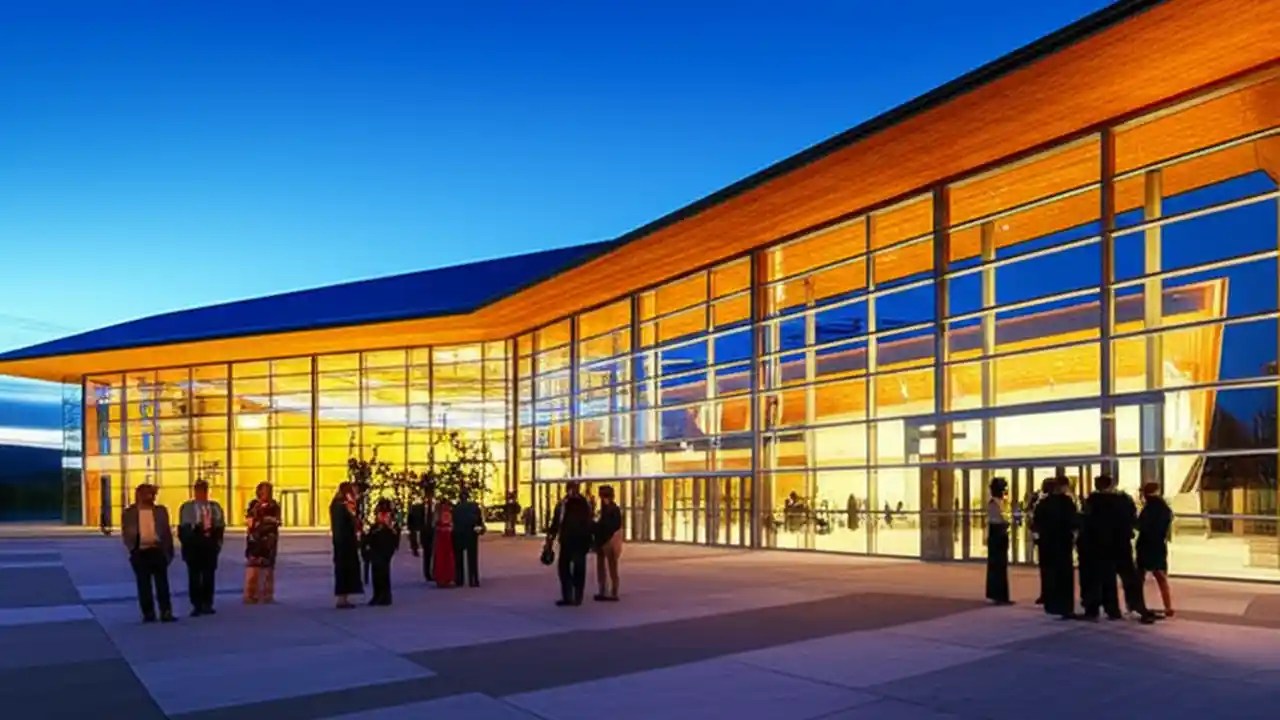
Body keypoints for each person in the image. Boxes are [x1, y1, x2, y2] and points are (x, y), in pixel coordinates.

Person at [1079, 475, 1156, 623]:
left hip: (1101, 546)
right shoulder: (1123, 500)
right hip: (1121, 545)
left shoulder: (1092, 502)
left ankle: (1112, 609)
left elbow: (1087, 525)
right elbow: (1132, 520)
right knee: (1130, 578)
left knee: (1107, 579)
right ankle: (1136, 606)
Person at [121, 484, 177, 623]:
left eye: (152, 494)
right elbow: (126, 533)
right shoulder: (129, 513)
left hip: (157, 550)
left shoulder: (161, 511)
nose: (150, 497)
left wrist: (168, 552)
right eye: (146, 494)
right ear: (138, 495)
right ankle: (148, 613)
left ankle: (166, 611)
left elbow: (166, 533)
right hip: (140, 551)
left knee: (162, 584)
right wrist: (132, 549)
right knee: (143, 584)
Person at [178, 480, 225, 617]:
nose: (201, 493)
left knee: (209, 575)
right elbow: (183, 528)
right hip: (194, 545)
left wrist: (217, 542)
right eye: (198, 490)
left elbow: (220, 525)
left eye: (204, 490)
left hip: (209, 544)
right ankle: (196, 604)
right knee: (194, 576)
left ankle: (207, 603)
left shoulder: (214, 506)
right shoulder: (187, 507)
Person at [1033, 476, 1078, 618]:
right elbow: (1073, 521)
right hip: (1063, 542)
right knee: (1063, 574)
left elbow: (1036, 523)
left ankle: (1051, 603)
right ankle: (1064, 605)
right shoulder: (1067, 502)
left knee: (1049, 573)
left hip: (1047, 543)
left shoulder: (1043, 503)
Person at [546, 481, 594, 606]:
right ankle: (574, 596)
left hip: (573, 540)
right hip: (574, 541)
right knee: (573, 568)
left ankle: (571, 596)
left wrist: (551, 537)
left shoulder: (568, 504)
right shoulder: (582, 504)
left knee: (569, 568)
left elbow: (556, 522)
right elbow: (557, 521)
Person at [1137, 482, 1175, 618]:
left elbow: (1140, 525)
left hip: (1145, 544)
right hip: (1158, 544)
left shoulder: (1147, 508)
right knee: (1161, 577)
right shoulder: (1164, 508)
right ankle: (1168, 606)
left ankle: (1138, 605)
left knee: (1139, 577)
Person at [243, 482, 281, 604]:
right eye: (264, 492)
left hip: (269, 540)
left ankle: (267, 594)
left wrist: (264, 521)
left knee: (268, 568)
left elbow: (276, 521)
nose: (267, 494)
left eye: (269, 491)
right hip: (255, 540)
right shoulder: (254, 505)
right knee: (253, 568)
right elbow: (249, 521)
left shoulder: (274, 506)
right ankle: (250, 594)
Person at [329, 482, 363, 609]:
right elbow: (340, 526)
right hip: (343, 544)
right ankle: (341, 598)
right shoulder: (339, 505)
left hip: (348, 543)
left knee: (348, 570)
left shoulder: (346, 505)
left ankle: (345, 597)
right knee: (343, 570)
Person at [362, 499, 400, 606]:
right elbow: (370, 534)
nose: (381, 515)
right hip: (376, 547)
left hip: (386, 548)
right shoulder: (375, 525)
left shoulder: (392, 523)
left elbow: (395, 535)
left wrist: (388, 527)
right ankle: (377, 595)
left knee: (384, 572)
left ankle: (385, 596)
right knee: (376, 572)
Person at [593, 485, 624, 602]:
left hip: (608, 541)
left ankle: (613, 591)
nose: (602, 498)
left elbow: (615, 525)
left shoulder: (613, 509)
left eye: (603, 496)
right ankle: (603, 590)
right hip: (601, 541)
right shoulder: (603, 509)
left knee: (611, 567)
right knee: (602, 566)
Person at [985, 477, 1013, 605]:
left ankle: (1002, 594)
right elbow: (1000, 519)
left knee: (1002, 565)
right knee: (996, 564)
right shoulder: (993, 503)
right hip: (996, 533)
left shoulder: (1001, 502)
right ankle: (997, 594)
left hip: (1000, 533)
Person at [1028, 478, 1053, 606]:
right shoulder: (1064, 502)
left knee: (1046, 569)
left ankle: (1046, 593)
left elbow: (1034, 522)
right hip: (1056, 541)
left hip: (1045, 540)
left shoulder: (1042, 504)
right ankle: (1051, 593)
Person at [452, 489, 483, 588]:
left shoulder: (455, 508)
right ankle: (473, 579)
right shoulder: (474, 506)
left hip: (458, 534)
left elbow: (452, 521)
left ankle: (459, 579)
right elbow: (479, 520)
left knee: (458, 558)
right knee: (472, 558)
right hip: (471, 534)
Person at [433, 499, 457, 588]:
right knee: (446, 557)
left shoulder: (439, 513)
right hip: (445, 536)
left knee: (442, 557)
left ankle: (442, 578)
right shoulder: (447, 513)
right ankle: (446, 578)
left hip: (442, 536)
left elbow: (435, 525)